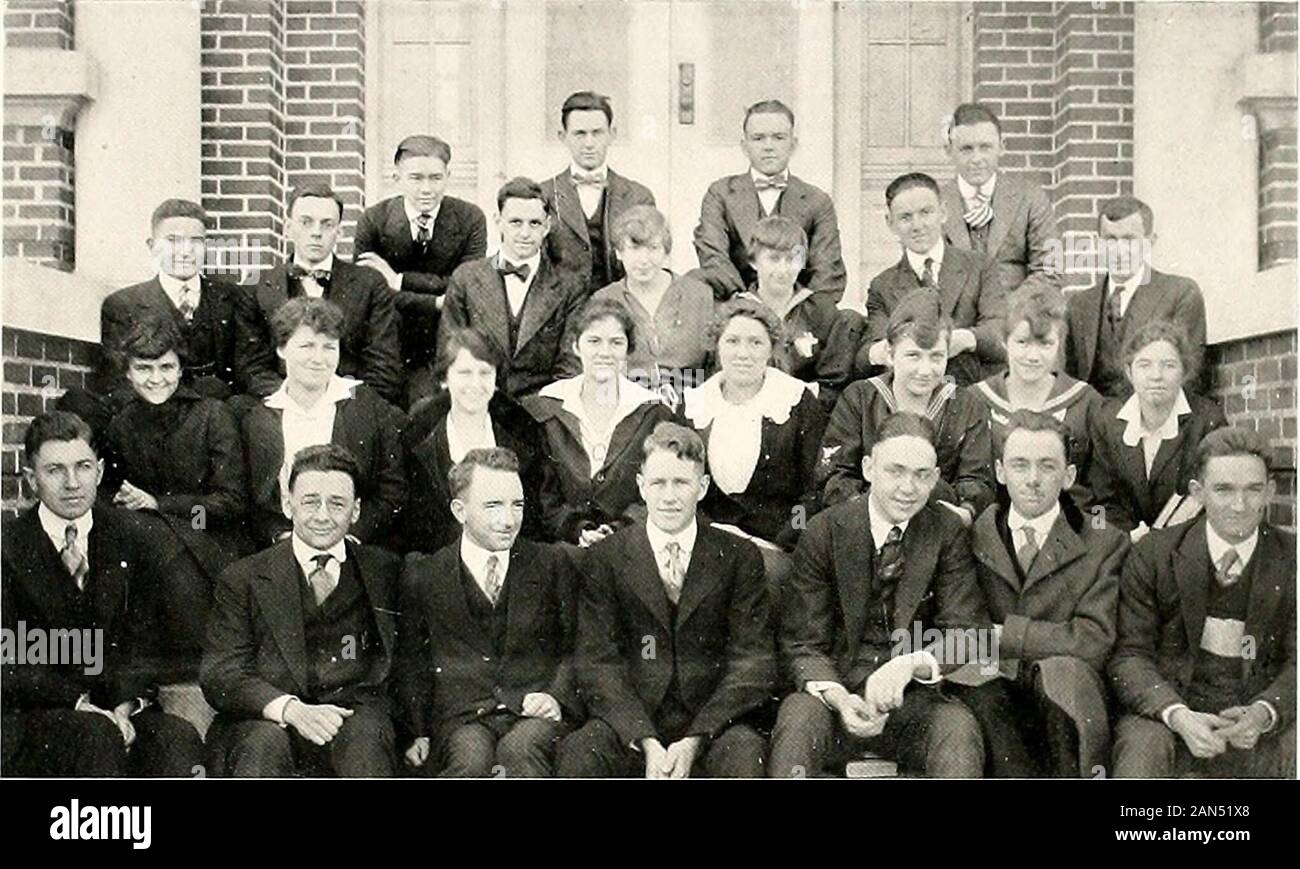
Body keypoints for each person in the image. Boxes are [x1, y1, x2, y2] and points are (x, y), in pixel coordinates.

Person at [769, 412, 988, 778]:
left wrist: (910, 664)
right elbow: (802, 643)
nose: (908, 487)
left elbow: (968, 632)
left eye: (921, 475)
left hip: (911, 701)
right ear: (868, 468)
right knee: (797, 721)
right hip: (835, 697)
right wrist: (839, 698)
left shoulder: (946, 531)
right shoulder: (824, 530)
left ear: (936, 477)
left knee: (957, 729)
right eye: (895, 471)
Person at [556, 423, 774, 777]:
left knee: (745, 754)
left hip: (713, 724)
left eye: (681, 483)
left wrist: (695, 738)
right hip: (633, 722)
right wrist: (644, 740)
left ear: (702, 487)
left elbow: (752, 661)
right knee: (581, 751)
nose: (669, 496)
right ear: (641, 485)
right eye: (658, 483)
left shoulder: (738, 556)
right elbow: (597, 661)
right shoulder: (606, 557)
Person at [2, 411, 205, 776]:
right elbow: (9, 659)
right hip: (38, 716)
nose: (72, 483)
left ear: (98, 472)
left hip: (116, 707)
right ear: (32, 480)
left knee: (177, 738)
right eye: (55, 470)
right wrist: (79, 703)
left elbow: (143, 639)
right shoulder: (9, 548)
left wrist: (123, 708)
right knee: (95, 736)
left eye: (82, 467)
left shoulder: (132, 538)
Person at [202, 444, 403, 777]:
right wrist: (291, 710)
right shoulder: (243, 578)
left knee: (368, 739)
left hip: (351, 721)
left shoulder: (385, 571)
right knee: (262, 746)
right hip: (268, 723)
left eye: (337, 503)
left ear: (355, 510)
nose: (322, 516)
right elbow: (222, 673)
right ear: (287, 504)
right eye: (310, 502)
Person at [1110, 427, 1295, 778]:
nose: (1239, 506)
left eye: (1253, 489)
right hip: (1171, 713)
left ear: (1269, 492)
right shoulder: (1154, 554)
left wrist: (1264, 711)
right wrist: (1177, 715)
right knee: (1141, 750)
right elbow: (1130, 655)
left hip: (1255, 720)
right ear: (1198, 493)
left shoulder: (1292, 559)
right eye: (1223, 490)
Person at [955, 410, 1128, 777]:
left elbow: (1094, 640)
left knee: (1062, 675)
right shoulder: (974, 536)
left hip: (1064, 697)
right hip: (993, 694)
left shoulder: (1104, 543)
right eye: (1020, 465)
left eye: (1047, 466)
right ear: (1000, 472)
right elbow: (961, 624)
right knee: (975, 683)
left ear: (1069, 476)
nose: (1033, 480)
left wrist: (1007, 635)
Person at [397, 448, 579, 777]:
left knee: (520, 751)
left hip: (534, 713)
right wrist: (417, 731)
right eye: (493, 505)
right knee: (470, 759)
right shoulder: (425, 574)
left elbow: (579, 646)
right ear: (459, 510)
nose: (508, 520)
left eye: (517, 505)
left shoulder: (552, 563)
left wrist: (556, 697)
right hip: (464, 718)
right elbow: (413, 662)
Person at [100, 317, 252, 681]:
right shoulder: (122, 425)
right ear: (128, 373)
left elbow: (232, 502)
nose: (156, 379)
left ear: (181, 369)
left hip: (211, 543)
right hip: (151, 551)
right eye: (144, 368)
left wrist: (160, 505)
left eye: (166, 367)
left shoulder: (212, 416)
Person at [680, 297, 827, 589]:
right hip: (708, 543)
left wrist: (790, 534)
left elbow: (813, 491)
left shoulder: (796, 401)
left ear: (771, 348)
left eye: (756, 343)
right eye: (732, 341)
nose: (743, 353)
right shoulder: (695, 406)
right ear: (717, 346)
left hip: (777, 548)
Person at [241, 298, 406, 548]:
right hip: (282, 547)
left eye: (329, 347)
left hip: (353, 545)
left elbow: (392, 488)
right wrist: (282, 539)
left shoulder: (367, 404)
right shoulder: (258, 417)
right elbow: (254, 502)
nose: (318, 359)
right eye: (307, 346)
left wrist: (351, 536)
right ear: (282, 349)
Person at [818, 291, 994, 522]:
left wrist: (966, 510)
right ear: (890, 354)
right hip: (868, 520)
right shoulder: (860, 398)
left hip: (940, 524)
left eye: (936, 357)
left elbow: (977, 479)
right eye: (913, 355)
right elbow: (833, 474)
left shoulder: (967, 405)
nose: (925, 370)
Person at [521, 297, 673, 546]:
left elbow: (658, 489)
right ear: (576, 346)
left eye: (616, 342)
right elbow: (543, 493)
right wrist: (577, 530)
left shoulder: (652, 412)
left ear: (628, 349)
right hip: (561, 549)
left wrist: (618, 530)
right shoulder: (547, 407)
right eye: (594, 341)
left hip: (631, 547)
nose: (605, 352)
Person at [235, 183, 403, 405]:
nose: (316, 232)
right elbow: (251, 367)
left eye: (327, 224)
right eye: (306, 222)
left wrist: (337, 402)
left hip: (348, 407)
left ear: (339, 232)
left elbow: (383, 367)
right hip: (281, 406)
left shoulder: (370, 284)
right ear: (288, 228)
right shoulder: (258, 286)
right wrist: (295, 400)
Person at [353, 135, 488, 408]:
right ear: (397, 177)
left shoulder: (470, 218)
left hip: (446, 340)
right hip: (388, 340)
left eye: (435, 178)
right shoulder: (374, 220)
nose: (426, 189)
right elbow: (368, 293)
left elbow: (465, 287)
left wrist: (398, 280)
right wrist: (436, 302)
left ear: (448, 176)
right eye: (415, 178)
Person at [401, 328, 557, 553]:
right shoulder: (417, 433)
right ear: (445, 379)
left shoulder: (521, 431)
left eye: (485, 373)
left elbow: (536, 512)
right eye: (465, 373)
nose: (475, 384)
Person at [437, 177, 587, 400]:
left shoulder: (570, 286)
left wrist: (544, 408)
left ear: (547, 226)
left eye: (534, 223)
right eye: (516, 222)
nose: (525, 233)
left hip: (542, 408)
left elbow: (570, 365)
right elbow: (450, 353)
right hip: (479, 401)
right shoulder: (466, 278)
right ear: (498, 221)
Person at [693, 99, 846, 314]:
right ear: (744, 146)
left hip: (798, 315)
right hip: (737, 311)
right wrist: (746, 308)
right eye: (758, 138)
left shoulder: (817, 200)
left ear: (793, 144)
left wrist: (798, 314)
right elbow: (713, 258)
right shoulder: (720, 194)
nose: (768, 147)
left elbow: (827, 271)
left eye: (778, 137)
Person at [860, 172, 1007, 387]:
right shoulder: (882, 286)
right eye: (905, 217)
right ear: (890, 223)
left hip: (973, 390)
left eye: (926, 212)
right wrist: (882, 351)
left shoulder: (980, 266)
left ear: (943, 212)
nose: (917, 225)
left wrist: (965, 339)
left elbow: (999, 329)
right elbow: (871, 349)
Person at [1086, 320, 1226, 542]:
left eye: (1169, 365)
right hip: (1125, 545)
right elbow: (1100, 500)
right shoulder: (1106, 421)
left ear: (1184, 372)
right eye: (1144, 365)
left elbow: (1212, 497)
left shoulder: (1208, 420)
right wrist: (1128, 537)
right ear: (1129, 372)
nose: (1156, 375)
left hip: (1185, 545)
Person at [1065, 195, 1209, 398]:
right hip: (1094, 415)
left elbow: (1188, 376)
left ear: (1150, 242)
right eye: (1110, 240)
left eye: (1129, 240)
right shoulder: (1079, 305)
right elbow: (1069, 380)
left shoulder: (1180, 294)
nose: (1119, 251)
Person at [971, 283, 1102, 505]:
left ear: (1059, 344)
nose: (1033, 356)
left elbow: (1099, 490)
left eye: (1045, 344)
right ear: (1005, 342)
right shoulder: (977, 399)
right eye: (1022, 342)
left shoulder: (1086, 402)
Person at [98, 198, 241, 402]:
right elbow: (116, 381)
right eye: (173, 241)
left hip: (218, 411)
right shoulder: (122, 305)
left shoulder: (233, 299)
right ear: (152, 246)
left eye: (195, 241)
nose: (185, 251)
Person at [591, 205, 714, 407]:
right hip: (628, 409)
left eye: (653, 248)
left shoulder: (699, 295)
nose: (644, 260)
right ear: (618, 252)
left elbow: (714, 366)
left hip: (692, 408)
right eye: (634, 248)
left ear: (666, 252)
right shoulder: (604, 300)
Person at [736, 215, 862, 406]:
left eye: (791, 259)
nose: (783, 269)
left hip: (807, 411)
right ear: (753, 261)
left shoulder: (821, 311)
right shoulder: (737, 312)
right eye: (774, 259)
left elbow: (834, 382)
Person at [543, 91, 657, 296]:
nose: (589, 143)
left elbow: (646, 262)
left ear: (612, 134)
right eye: (579, 134)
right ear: (563, 136)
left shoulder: (638, 197)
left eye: (597, 133)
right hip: (561, 308)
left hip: (620, 305)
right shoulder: (544, 195)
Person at [940, 103, 1060, 295]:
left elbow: (1050, 270)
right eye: (966, 149)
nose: (976, 159)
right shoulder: (935, 203)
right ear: (949, 150)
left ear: (1002, 147)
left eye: (985, 147)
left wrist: (1005, 310)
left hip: (1018, 309)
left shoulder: (1030, 198)